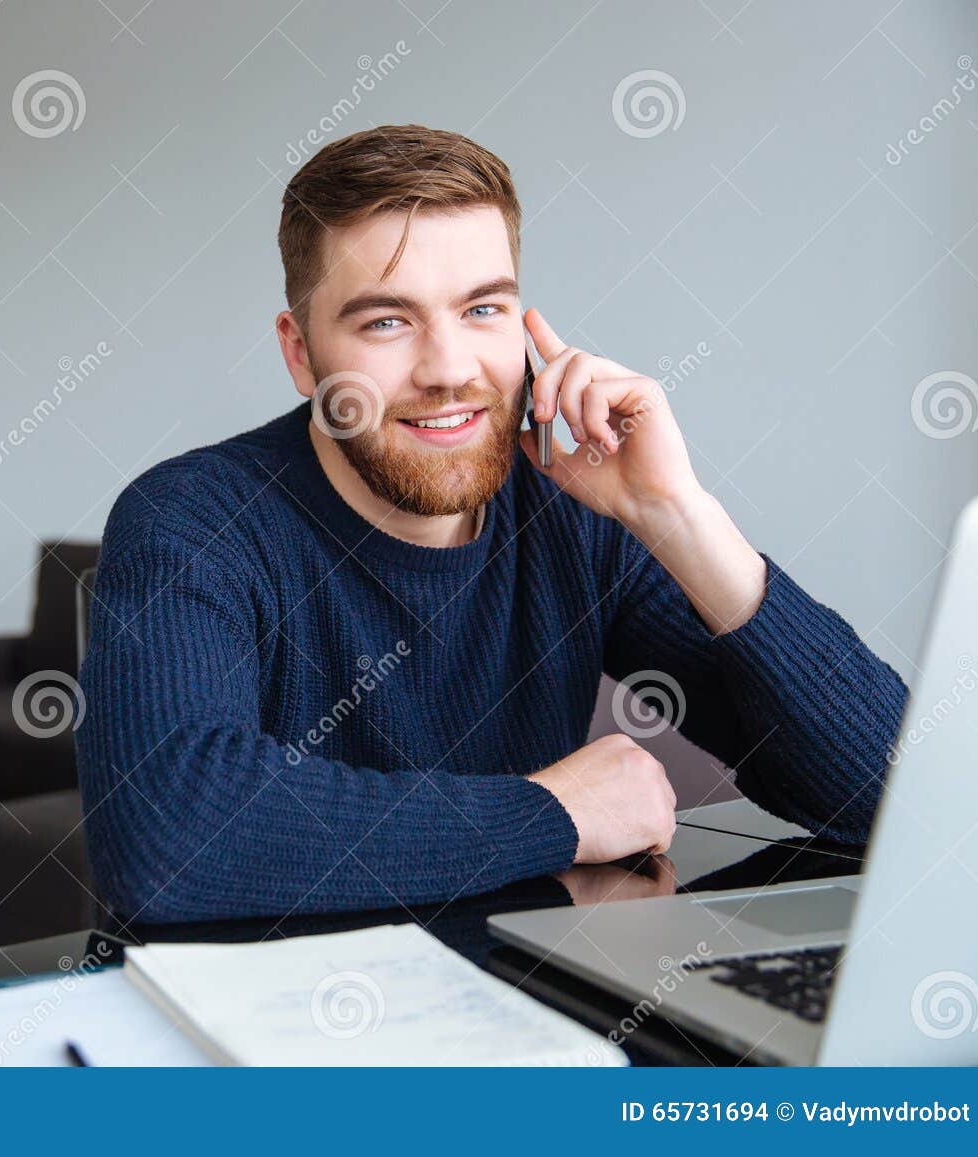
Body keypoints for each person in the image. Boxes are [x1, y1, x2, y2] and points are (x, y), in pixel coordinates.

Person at [75, 124, 907, 924]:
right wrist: (552, 811)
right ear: (302, 354)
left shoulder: (577, 518)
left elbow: (896, 795)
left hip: (529, 1020)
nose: (448, 371)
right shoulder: (195, 518)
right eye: (385, 322)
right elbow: (171, 836)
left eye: (482, 310)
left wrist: (676, 514)